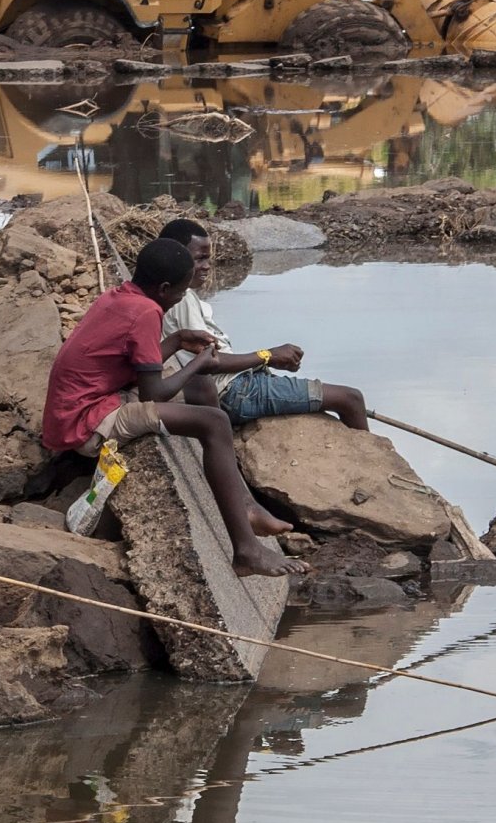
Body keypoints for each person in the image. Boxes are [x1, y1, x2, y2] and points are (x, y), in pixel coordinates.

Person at [41, 235, 305, 579]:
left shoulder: (121, 296)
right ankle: (246, 552)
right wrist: (199, 362)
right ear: (165, 288)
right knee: (214, 423)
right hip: (86, 422)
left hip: (88, 404)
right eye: (180, 293)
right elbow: (154, 393)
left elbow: (138, 363)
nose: (181, 298)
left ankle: (245, 506)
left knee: (201, 387)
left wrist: (179, 340)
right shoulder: (146, 312)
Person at [157, 218, 367, 431]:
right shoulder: (182, 299)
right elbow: (212, 361)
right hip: (235, 391)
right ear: (177, 257)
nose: (207, 266)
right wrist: (268, 355)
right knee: (350, 398)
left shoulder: (169, 295)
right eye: (200, 259)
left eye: (208, 258)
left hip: (234, 386)